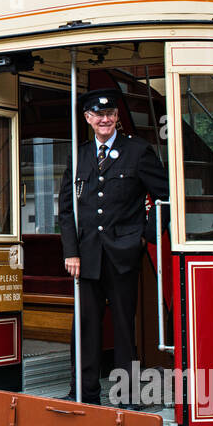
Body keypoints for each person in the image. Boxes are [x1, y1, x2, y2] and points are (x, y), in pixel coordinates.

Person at [58, 89, 168, 404]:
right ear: (88, 119)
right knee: (85, 328)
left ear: (117, 118)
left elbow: (165, 199)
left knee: (123, 327)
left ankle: (128, 393)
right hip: (86, 256)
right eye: (98, 115)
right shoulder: (78, 155)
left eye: (110, 114)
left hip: (123, 255)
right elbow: (66, 209)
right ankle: (82, 391)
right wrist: (71, 251)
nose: (105, 120)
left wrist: (143, 238)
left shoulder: (138, 151)